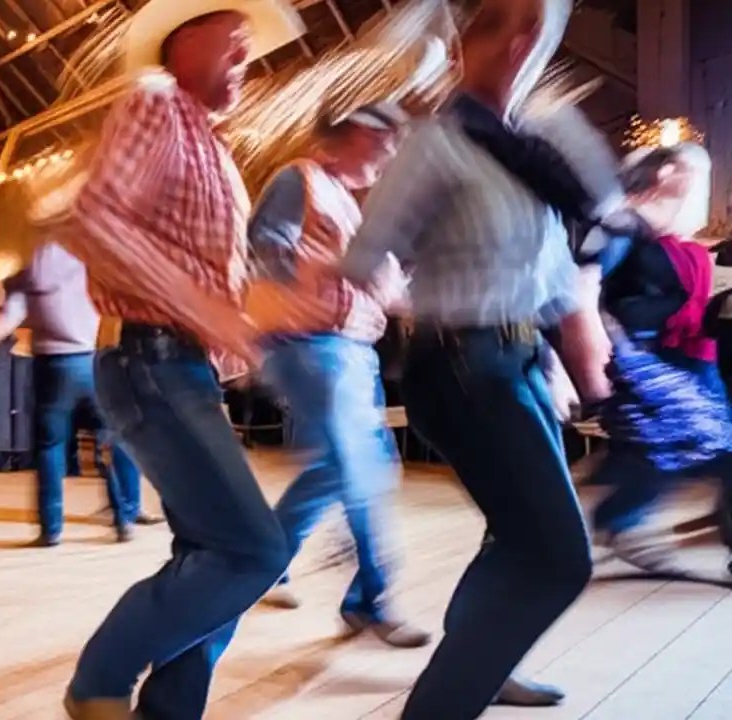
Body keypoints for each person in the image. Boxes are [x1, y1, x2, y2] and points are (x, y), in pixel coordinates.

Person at [31, 3, 306, 718]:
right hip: (150, 354)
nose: (248, 56)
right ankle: (99, 681)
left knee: (212, 554)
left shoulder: (211, 143)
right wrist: (204, 308)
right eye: (236, 41)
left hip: (176, 360)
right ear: (183, 40)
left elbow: (203, 265)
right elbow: (95, 217)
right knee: (253, 551)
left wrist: (246, 316)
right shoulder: (156, 102)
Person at [340, 1, 613, 715]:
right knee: (557, 557)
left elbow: (556, 279)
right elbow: (368, 253)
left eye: (535, 25)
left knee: (512, 536)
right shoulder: (438, 143)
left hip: (517, 363)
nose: (519, 38)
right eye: (497, 21)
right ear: (463, 45)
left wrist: (583, 368)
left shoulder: (528, 151)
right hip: (462, 361)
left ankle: (485, 661)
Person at [247, 100, 430, 649]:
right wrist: (330, 271)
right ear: (355, 133)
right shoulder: (297, 179)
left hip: (348, 346)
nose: (390, 152)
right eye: (386, 139)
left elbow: (387, 288)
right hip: (311, 343)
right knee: (359, 466)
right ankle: (373, 601)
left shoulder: (348, 204)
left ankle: (261, 562)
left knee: (338, 468)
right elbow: (265, 245)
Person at [583, 144, 732, 570]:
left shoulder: (658, 230)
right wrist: (602, 347)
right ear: (665, 173)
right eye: (689, 169)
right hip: (634, 359)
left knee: (673, 444)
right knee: (687, 440)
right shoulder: (622, 224)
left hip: (661, 357)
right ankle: (616, 515)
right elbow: (586, 287)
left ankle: (617, 511)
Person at [0, 241, 144, 546]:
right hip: (88, 362)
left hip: (50, 366)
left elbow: (6, 318)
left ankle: (51, 528)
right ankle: (123, 518)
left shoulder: (34, 269)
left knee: (50, 448)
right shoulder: (91, 263)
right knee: (108, 442)